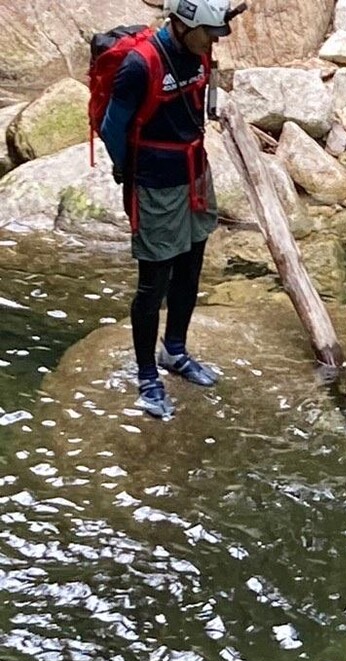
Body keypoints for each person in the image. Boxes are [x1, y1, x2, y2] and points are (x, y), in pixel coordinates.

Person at [99, 0, 239, 420]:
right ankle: (147, 379)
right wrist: (128, 172)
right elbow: (112, 128)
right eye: (209, 33)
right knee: (153, 282)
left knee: (191, 266)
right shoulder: (140, 66)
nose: (214, 41)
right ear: (183, 23)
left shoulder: (199, 51)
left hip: (195, 173)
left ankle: (174, 351)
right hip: (156, 183)